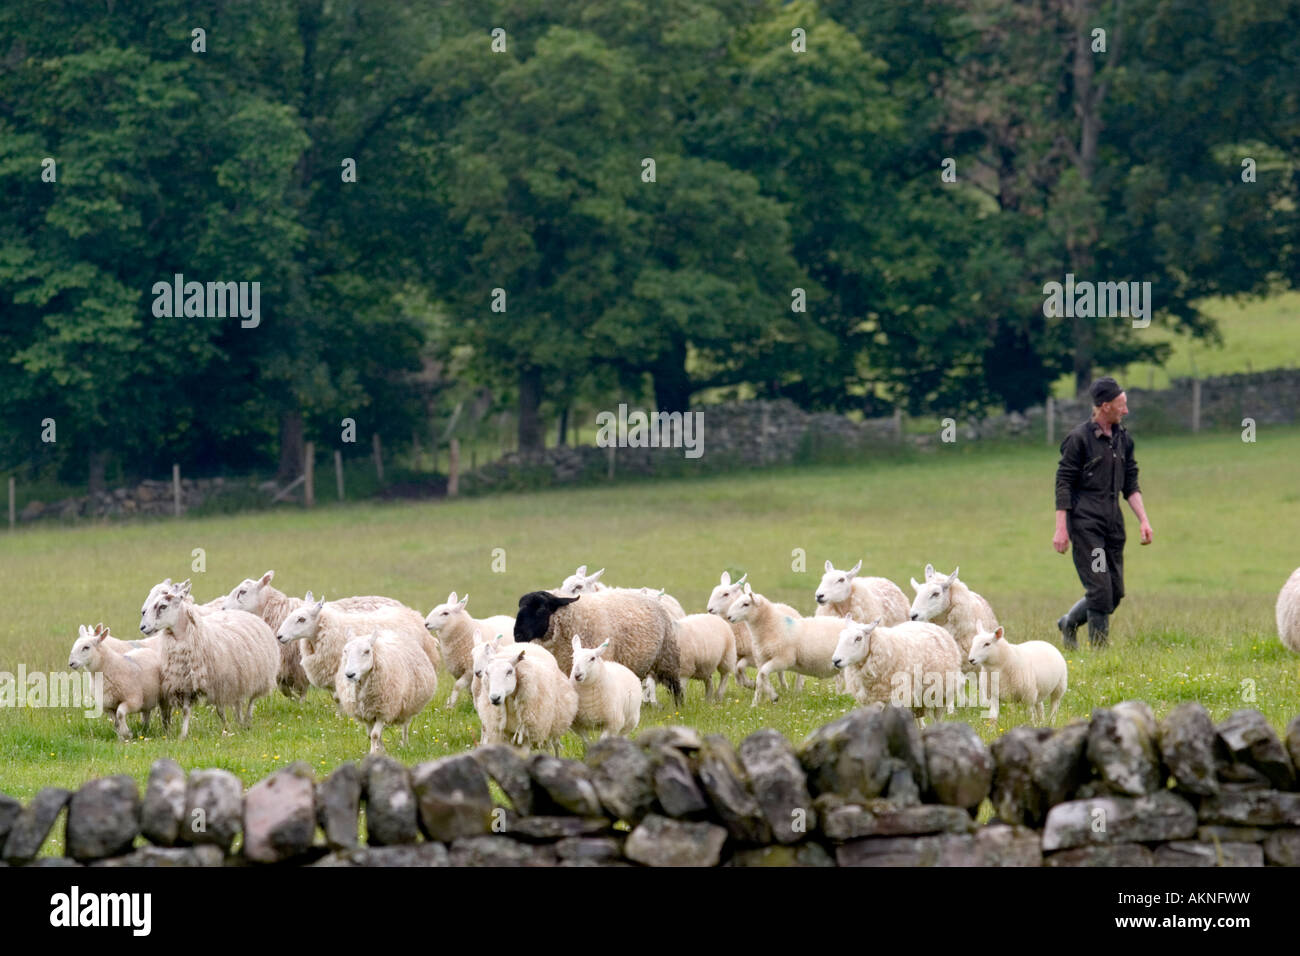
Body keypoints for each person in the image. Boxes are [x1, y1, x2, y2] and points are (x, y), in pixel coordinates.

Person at [1053, 376, 1154, 648]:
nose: (1126, 410)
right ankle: (1101, 653)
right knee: (1099, 589)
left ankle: (1069, 622)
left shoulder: (1123, 439)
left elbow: (1130, 482)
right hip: (1087, 527)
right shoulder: (1079, 440)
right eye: (1122, 404)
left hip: (1113, 525)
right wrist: (1061, 527)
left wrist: (1143, 520)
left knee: (1115, 592)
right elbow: (1063, 482)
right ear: (1105, 405)